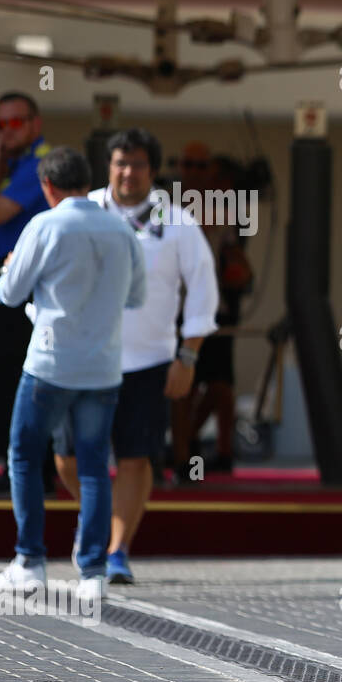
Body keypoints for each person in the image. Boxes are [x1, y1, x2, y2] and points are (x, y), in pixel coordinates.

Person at [53, 128, 219, 586]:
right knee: (67, 458)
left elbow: (204, 289)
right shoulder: (79, 212)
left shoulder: (177, 222)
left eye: (139, 164)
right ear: (108, 167)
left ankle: (117, 549)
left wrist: (188, 356)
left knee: (134, 457)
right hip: (81, 360)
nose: (128, 172)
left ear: (152, 170)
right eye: (120, 163)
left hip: (148, 363)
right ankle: (100, 520)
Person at [0, 147, 145, 600]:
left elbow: (9, 292)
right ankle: (93, 572)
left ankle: (30, 561)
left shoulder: (45, 224)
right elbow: (136, 297)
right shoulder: (121, 229)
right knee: (96, 468)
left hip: (49, 362)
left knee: (23, 455)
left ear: (47, 187)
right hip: (102, 367)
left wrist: (13, 274)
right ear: (89, 179)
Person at [174, 146, 250, 477]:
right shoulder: (166, 207)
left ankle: (209, 449)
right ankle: (180, 457)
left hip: (214, 311)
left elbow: (234, 258)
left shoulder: (225, 210)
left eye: (202, 166)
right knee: (183, 388)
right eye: (188, 164)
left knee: (219, 384)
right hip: (176, 311)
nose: (195, 172)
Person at [0, 93, 53, 490]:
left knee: (25, 374)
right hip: (7, 282)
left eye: (16, 123)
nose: (7, 132)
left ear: (35, 124)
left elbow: (3, 211)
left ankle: (35, 468)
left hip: (29, 286)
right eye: (1, 125)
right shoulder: (12, 163)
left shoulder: (40, 163)